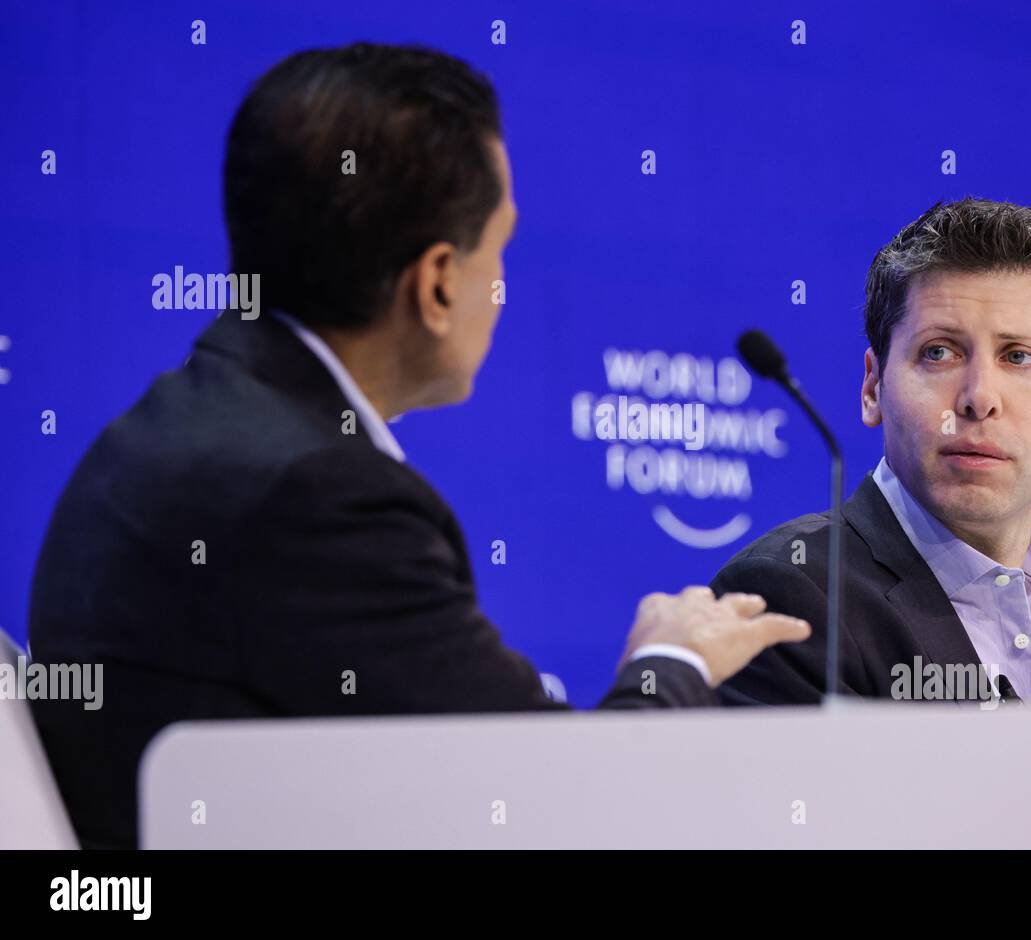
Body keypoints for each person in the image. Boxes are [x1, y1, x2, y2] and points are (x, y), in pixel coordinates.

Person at [27, 43, 810, 849]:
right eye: (500, 248)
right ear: (437, 283)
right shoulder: (320, 498)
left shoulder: (176, 431)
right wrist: (669, 665)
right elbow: (551, 810)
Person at [711, 198, 1031, 706]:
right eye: (939, 352)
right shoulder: (789, 597)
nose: (979, 398)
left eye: (1019, 356)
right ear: (873, 386)